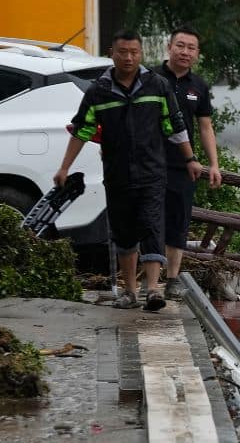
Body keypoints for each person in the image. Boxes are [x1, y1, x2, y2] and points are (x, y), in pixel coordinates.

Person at [55, 29, 200, 311]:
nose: (129, 58)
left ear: (141, 54)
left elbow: (175, 127)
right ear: (112, 53)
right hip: (117, 173)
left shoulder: (156, 86)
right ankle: (130, 292)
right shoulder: (99, 91)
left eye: (134, 52)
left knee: (152, 225)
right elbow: (82, 130)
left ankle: (154, 290)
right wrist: (64, 167)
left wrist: (191, 159)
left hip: (152, 172)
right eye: (123, 52)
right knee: (123, 231)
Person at [153, 26, 222, 300]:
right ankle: (150, 281)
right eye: (180, 46)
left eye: (191, 48)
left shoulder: (199, 87)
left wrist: (214, 164)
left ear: (197, 54)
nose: (185, 52)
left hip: (184, 166)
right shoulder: (151, 78)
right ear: (169, 47)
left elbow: (205, 127)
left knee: (178, 223)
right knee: (150, 220)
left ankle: (171, 280)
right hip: (151, 163)